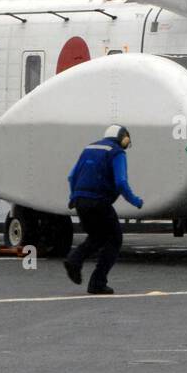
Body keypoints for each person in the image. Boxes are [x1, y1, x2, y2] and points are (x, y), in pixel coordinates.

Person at [62, 124, 144, 294]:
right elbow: (121, 182)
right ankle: (97, 282)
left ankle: (74, 260)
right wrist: (135, 201)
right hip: (99, 201)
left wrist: (73, 197)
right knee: (115, 239)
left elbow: (71, 176)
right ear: (124, 138)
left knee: (97, 237)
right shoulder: (117, 152)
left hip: (80, 201)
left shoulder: (89, 148)